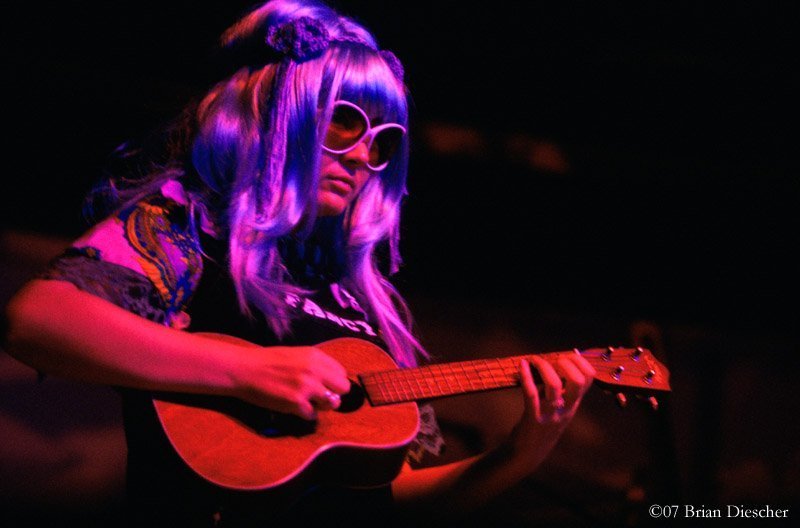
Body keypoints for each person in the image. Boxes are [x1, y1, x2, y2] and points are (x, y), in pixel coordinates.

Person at [3, 0, 596, 526]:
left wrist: (520, 454)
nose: (363, 156)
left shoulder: (366, 303)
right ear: (276, 114)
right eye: (344, 122)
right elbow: (38, 318)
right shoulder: (190, 225)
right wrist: (248, 371)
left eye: (383, 141)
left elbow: (390, 501)